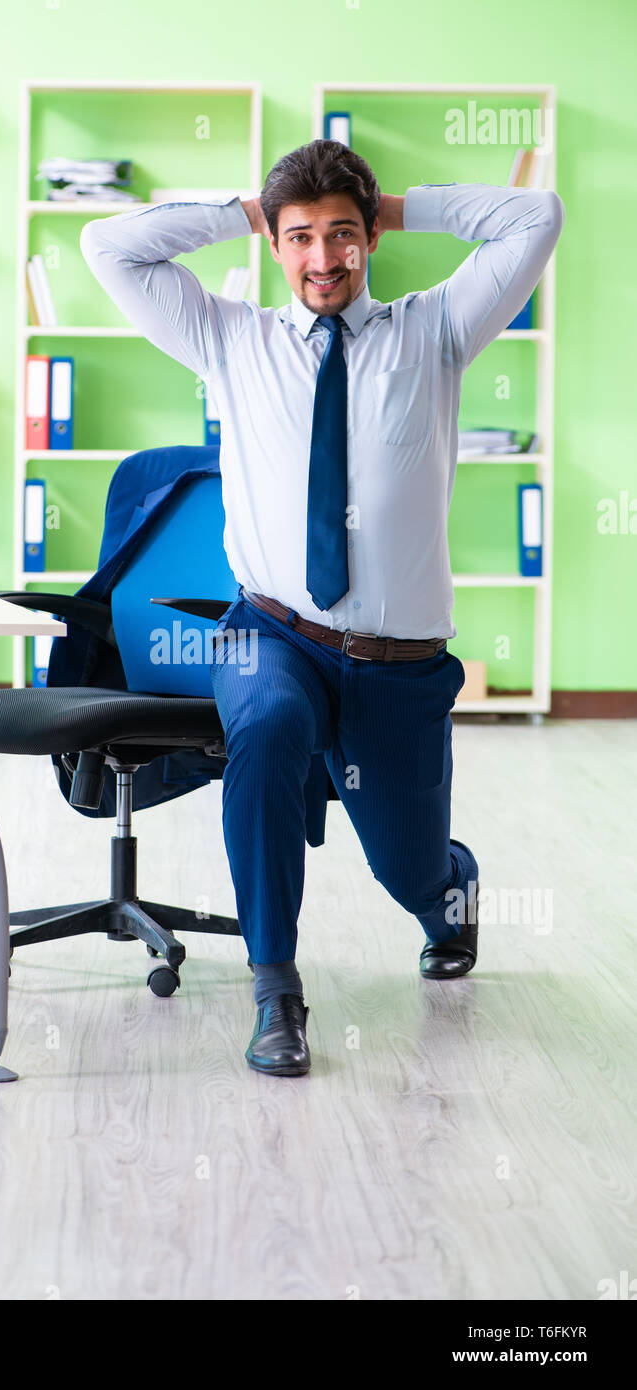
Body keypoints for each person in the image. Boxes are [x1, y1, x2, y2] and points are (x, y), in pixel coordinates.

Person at [80, 138, 564, 1077]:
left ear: (369, 240)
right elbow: (110, 245)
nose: (323, 259)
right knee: (262, 732)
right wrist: (243, 209)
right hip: (273, 633)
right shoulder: (231, 338)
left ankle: (448, 894)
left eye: (342, 235)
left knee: (406, 867)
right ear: (274, 244)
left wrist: (395, 205)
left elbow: (532, 216)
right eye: (299, 238)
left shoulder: (438, 330)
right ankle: (276, 994)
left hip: (399, 660)